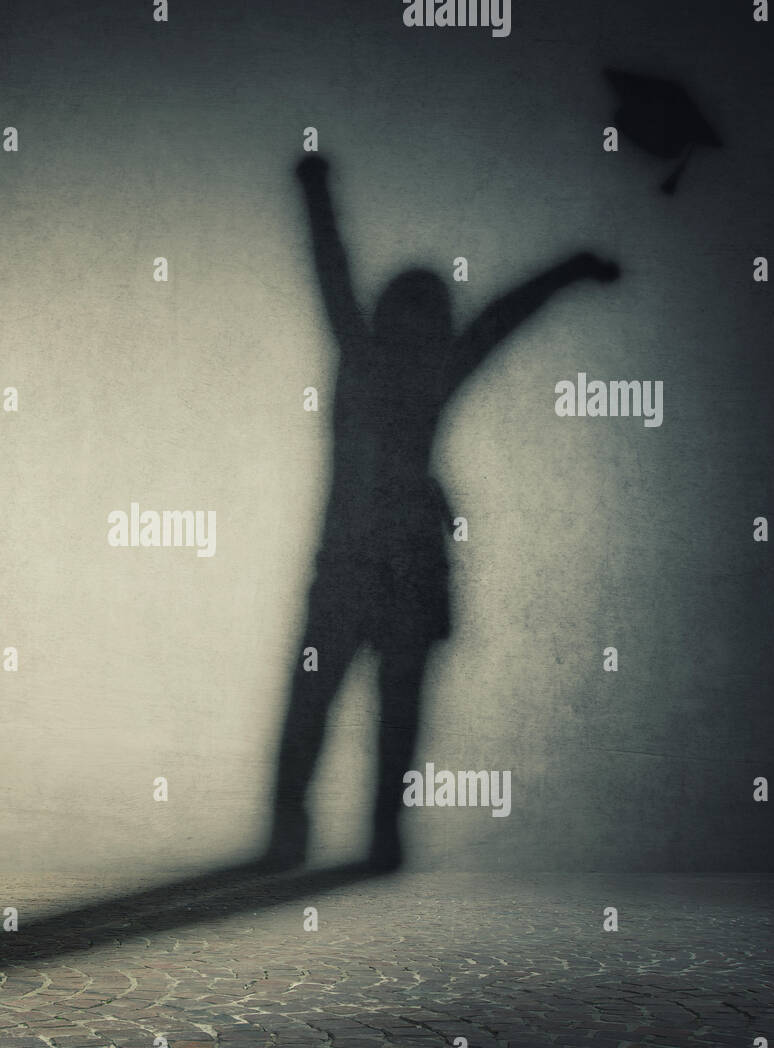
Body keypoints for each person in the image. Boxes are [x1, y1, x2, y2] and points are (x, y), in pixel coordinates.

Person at [260, 153, 620, 872]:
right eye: (421, 314)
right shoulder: (381, 366)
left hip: (388, 565)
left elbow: (491, 317)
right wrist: (316, 191)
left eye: (431, 316)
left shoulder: (408, 370)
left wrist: (569, 272)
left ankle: (337, 831)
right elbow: (351, 278)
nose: (428, 330)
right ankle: (318, 829)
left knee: (368, 704)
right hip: (373, 564)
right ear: (401, 320)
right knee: (351, 702)